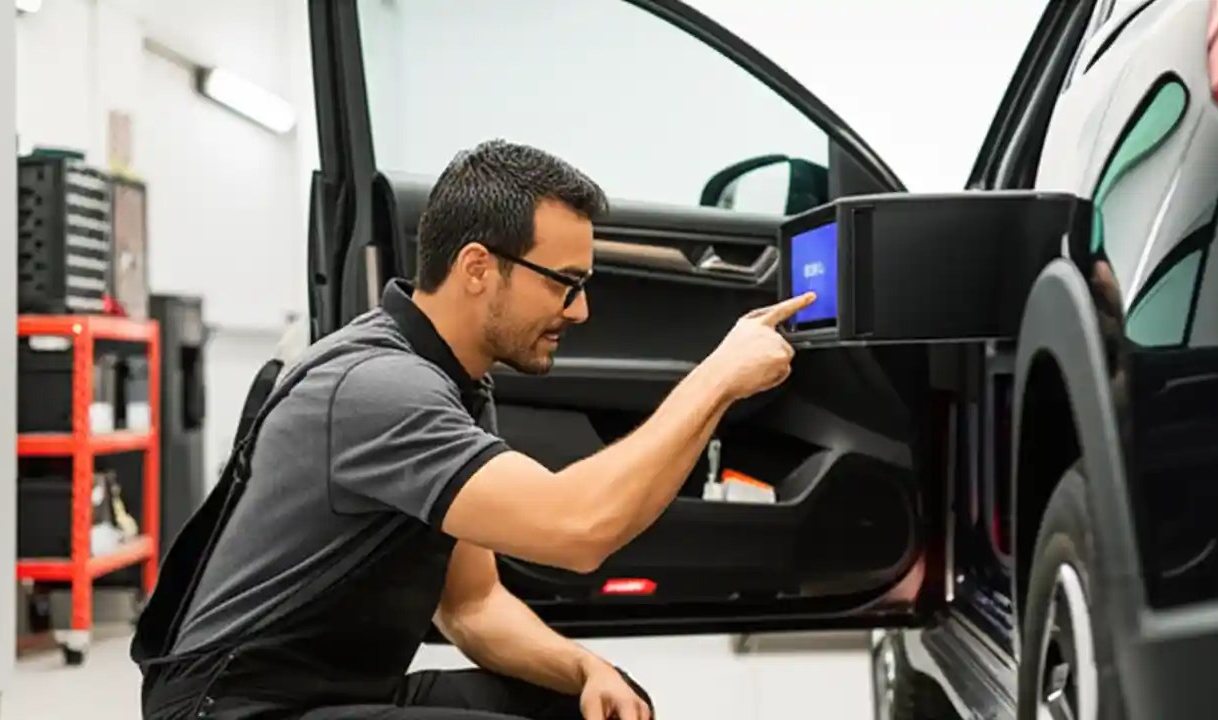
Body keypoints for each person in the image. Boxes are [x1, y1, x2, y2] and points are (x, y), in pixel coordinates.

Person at [131, 139, 815, 720]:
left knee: (587, 707)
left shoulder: (453, 381)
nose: (580, 311)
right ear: (478, 268)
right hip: (240, 707)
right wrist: (717, 377)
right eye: (565, 283)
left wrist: (582, 669)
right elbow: (577, 529)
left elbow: (473, 603)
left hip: (332, 692)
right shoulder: (381, 389)